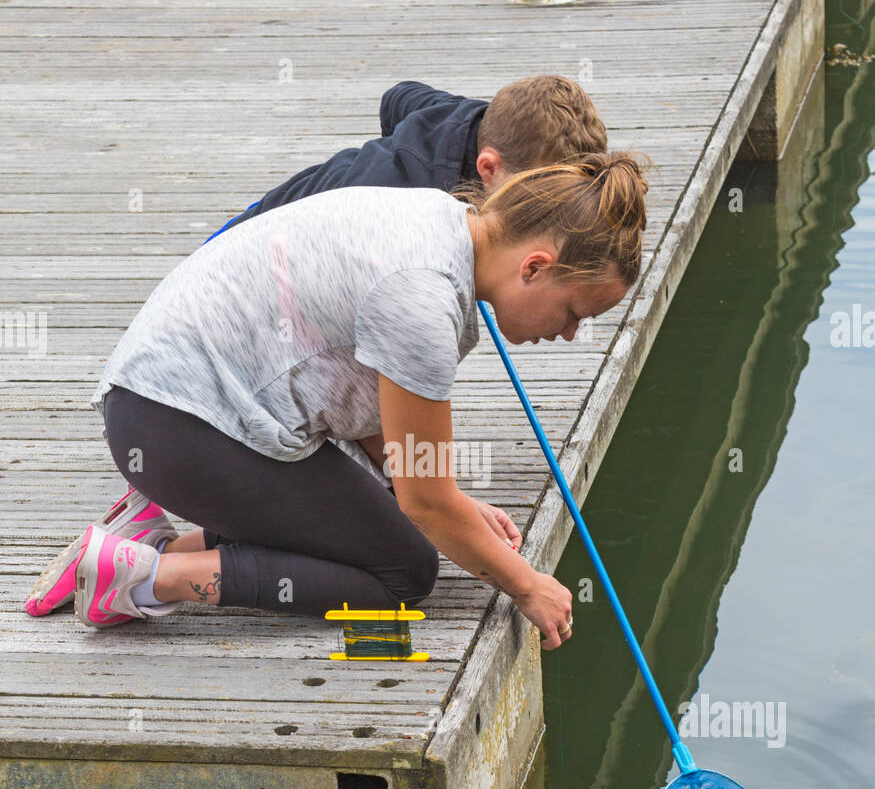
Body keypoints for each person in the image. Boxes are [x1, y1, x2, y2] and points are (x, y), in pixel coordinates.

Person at [25, 156, 647, 651]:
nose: (568, 334)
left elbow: (396, 442)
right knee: (403, 575)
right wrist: (527, 585)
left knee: (393, 527)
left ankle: (141, 542)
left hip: (167, 407)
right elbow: (426, 500)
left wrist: (450, 504)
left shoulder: (437, 222)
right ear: (536, 266)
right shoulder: (424, 298)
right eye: (574, 313)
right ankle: (143, 575)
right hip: (178, 423)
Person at [208, 75, 608, 237]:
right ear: (488, 166)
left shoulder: (478, 119)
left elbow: (398, 96)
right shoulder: (401, 209)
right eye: (539, 197)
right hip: (241, 262)